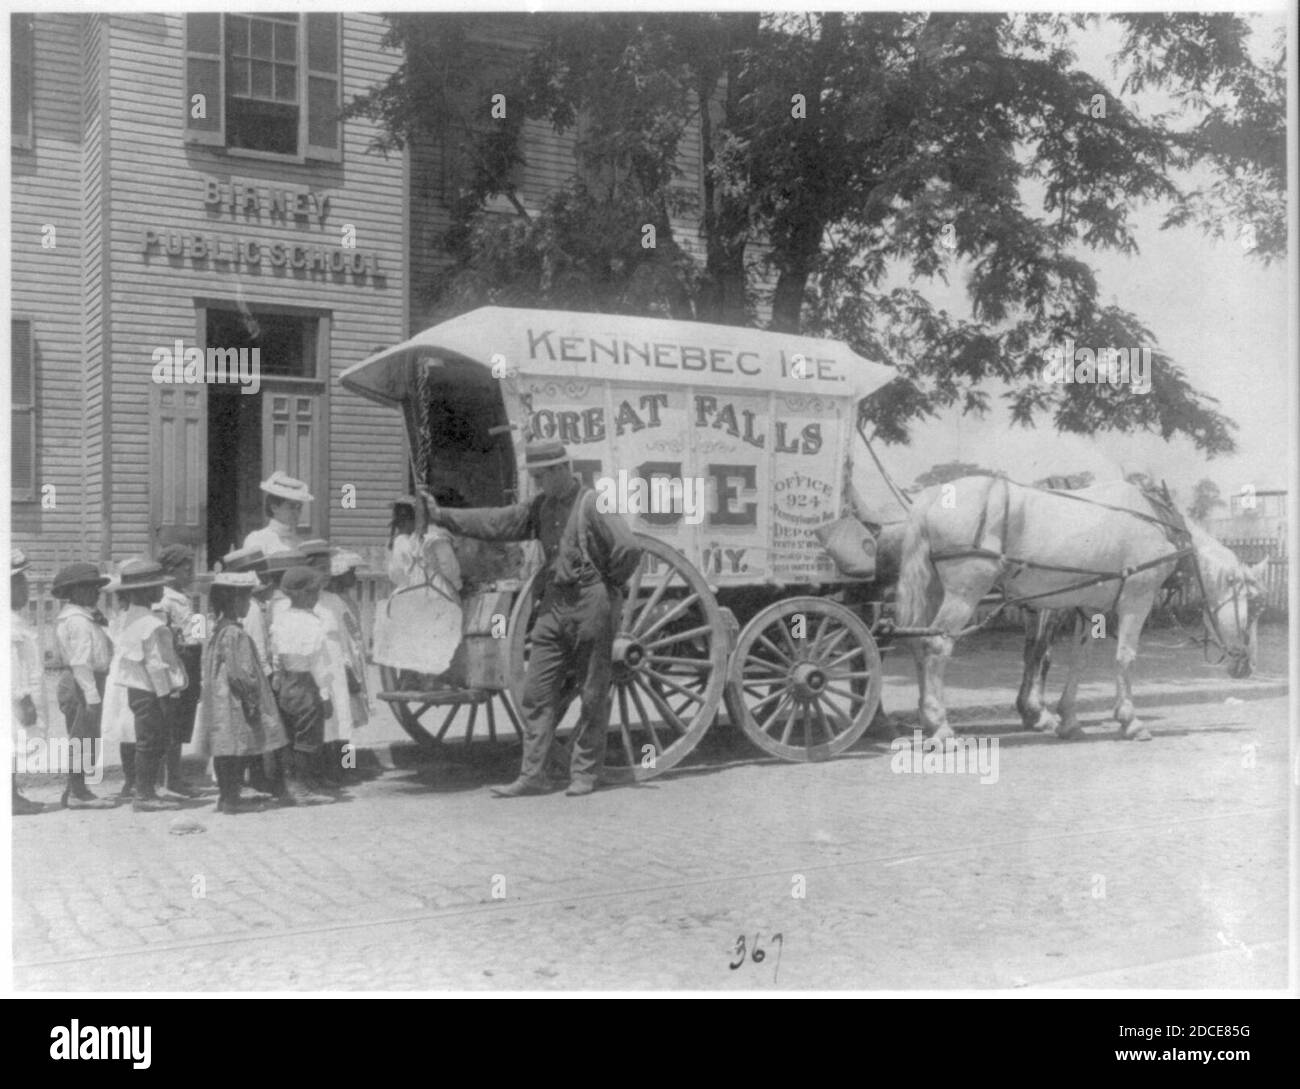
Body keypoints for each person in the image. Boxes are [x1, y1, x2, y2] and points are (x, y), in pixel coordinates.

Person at [421, 439, 642, 797]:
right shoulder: (541, 506)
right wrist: (443, 515)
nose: (538, 484)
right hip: (553, 604)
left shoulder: (594, 502)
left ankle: (585, 773)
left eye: (541, 477)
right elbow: (499, 521)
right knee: (537, 692)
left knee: (592, 691)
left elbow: (629, 549)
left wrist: (606, 584)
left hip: (590, 600)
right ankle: (533, 775)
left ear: (561, 470)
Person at [192, 572, 288, 814]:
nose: (248, 605)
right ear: (235, 601)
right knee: (236, 750)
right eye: (246, 600)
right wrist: (252, 697)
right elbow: (241, 672)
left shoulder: (219, 630)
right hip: (234, 700)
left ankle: (226, 798)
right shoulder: (236, 634)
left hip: (221, 699)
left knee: (224, 750)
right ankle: (232, 799)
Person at [109, 560, 190, 812]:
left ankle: (149, 789)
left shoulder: (133, 617)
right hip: (153, 687)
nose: (161, 591)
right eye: (157, 587)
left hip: (141, 686)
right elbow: (156, 665)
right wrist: (165, 697)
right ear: (146, 591)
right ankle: (144, 793)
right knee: (151, 739)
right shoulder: (154, 620)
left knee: (151, 738)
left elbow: (197, 633)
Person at [51, 562, 117, 809]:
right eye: (90, 588)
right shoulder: (77, 621)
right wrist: (91, 696)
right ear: (75, 591)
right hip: (82, 682)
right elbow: (80, 661)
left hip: (90, 680)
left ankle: (77, 788)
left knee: (87, 735)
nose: (96, 593)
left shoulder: (87, 617)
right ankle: (77, 791)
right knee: (81, 735)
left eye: (97, 588)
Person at [269, 566, 336, 804]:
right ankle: (302, 787)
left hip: (286, 681)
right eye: (315, 592)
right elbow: (319, 663)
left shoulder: (280, 619)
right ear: (306, 594)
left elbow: (275, 654)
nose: (317, 596)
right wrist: (326, 695)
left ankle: (292, 784)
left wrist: (277, 678)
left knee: (289, 734)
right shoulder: (313, 624)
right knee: (308, 737)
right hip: (307, 683)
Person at [154, 544, 203, 798]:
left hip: (191, 660)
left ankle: (175, 776)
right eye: (186, 568)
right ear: (171, 570)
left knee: (183, 721)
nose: (190, 572)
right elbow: (165, 635)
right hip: (176, 662)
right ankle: (166, 780)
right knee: (170, 723)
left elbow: (197, 632)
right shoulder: (164, 599)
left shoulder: (184, 597)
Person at [11, 550, 44, 815]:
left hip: (15, 694)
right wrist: (23, 697)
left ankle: (12, 794)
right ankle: (10, 797)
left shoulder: (16, 620)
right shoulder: (8, 625)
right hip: (12, 696)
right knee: (10, 740)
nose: (26, 589)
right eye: (19, 583)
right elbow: (11, 666)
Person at [243, 471, 312, 557]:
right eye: (291, 506)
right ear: (274, 508)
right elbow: (252, 570)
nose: (296, 512)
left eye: (299, 507)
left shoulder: (301, 543)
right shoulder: (257, 539)